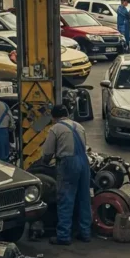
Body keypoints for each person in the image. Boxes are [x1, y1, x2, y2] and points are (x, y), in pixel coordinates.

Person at [40, 104, 91, 245]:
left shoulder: (55, 128)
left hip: (68, 163)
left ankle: (63, 236)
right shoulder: (79, 126)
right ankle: (85, 233)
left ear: (53, 117)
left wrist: (44, 162)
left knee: (65, 198)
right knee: (84, 197)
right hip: (84, 162)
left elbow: (48, 152)